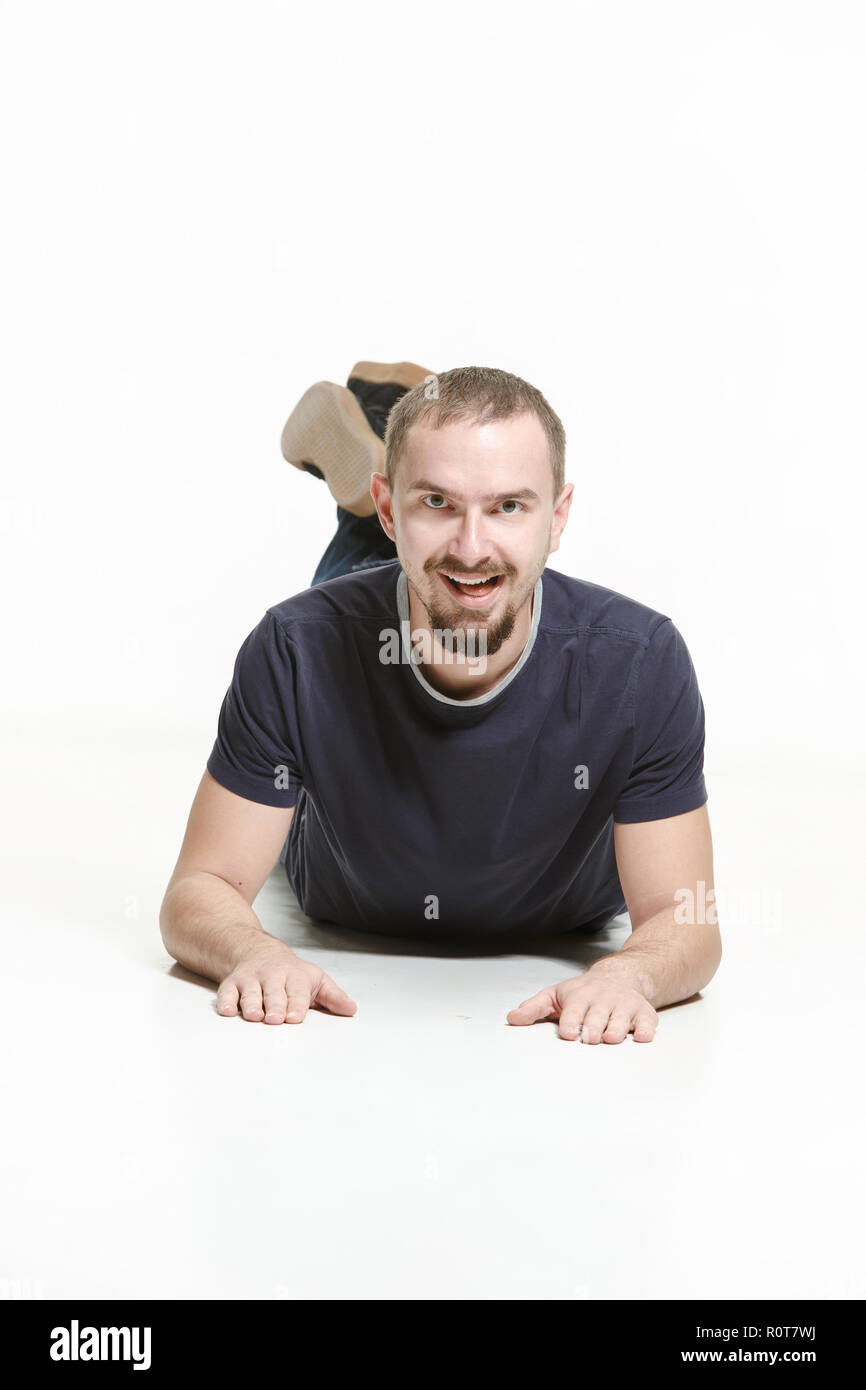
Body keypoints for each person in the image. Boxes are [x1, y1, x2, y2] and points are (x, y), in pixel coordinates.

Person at [158, 362, 722, 1045]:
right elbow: (198, 889)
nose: (474, 542)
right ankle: (372, 494)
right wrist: (253, 952)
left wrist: (632, 974)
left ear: (560, 516)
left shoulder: (641, 662)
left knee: (455, 579)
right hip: (366, 639)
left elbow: (686, 919)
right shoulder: (295, 648)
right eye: (436, 503)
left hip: (418, 585)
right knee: (381, 587)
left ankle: (401, 441)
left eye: (510, 505)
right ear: (393, 507)